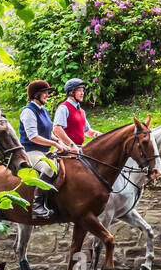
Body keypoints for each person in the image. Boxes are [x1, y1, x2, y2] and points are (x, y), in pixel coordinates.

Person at [18, 80, 75, 219]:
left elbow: (46, 131)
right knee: (49, 169)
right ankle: (37, 206)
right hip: (31, 151)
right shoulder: (28, 112)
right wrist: (55, 145)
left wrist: (59, 141)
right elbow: (33, 137)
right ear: (35, 95)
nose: (47, 95)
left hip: (44, 150)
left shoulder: (42, 109)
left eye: (47, 92)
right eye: (44, 92)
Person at [53, 77, 100, 148]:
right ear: (70, 92)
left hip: (78, 149)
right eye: (79, 91)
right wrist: (71, 145)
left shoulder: (81, 111)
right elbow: (57, 129)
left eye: (83, 91)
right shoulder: (63, 108)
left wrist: (95, 134)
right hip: (65, 149)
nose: (82, 93)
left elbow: (87, 130)